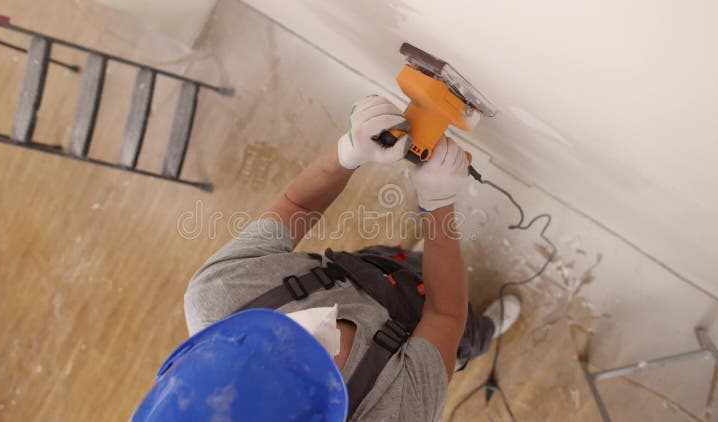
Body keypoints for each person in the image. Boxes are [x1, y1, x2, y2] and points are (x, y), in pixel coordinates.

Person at [133, 95, 522, 421]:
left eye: (277, 335)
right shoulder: (391, 411)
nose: (317, 326)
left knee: (407, 263)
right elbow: (445, 315)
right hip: (436, 323)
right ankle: (486, 329)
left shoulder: (221, 297)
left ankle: (418, 263)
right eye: (312, 355)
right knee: (466, 335)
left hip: (370, 272)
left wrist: (347, 152)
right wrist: (437, 204)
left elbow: (296, 204)